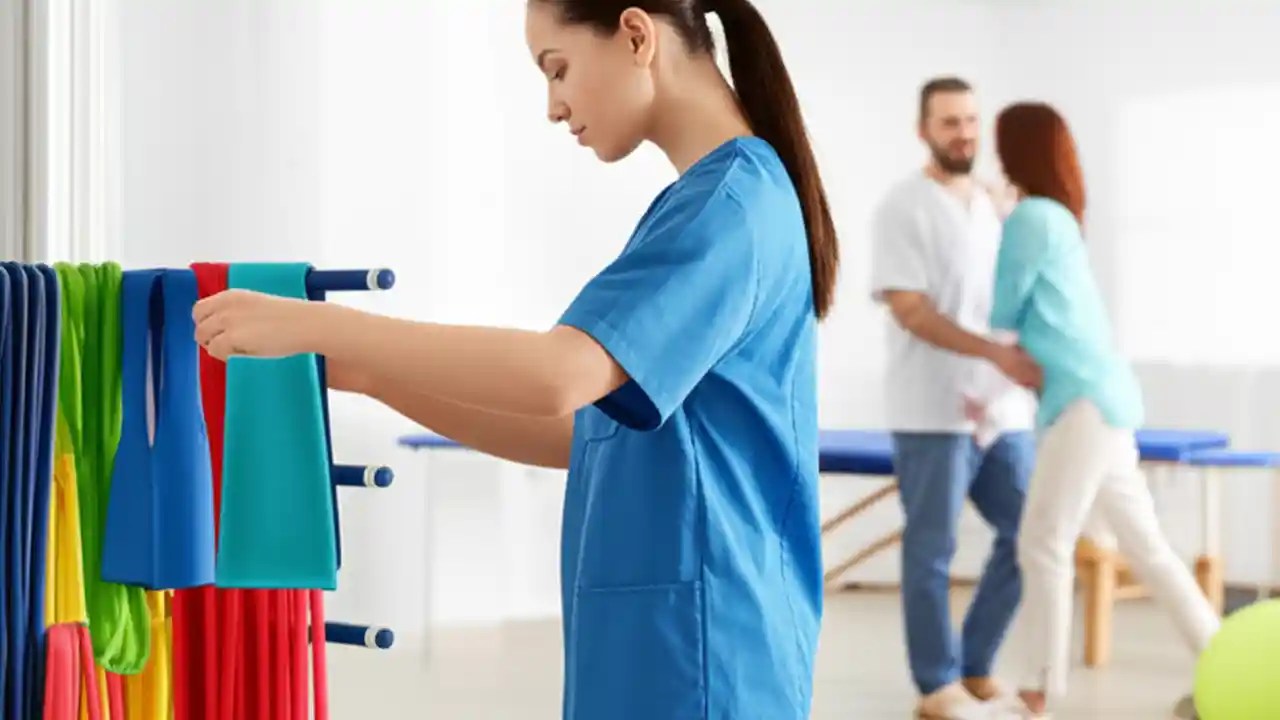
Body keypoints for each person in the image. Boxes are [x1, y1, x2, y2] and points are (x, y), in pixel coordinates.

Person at [192, 1, 837, 718]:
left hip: (708, 651)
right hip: (667, 641)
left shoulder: (729, 206)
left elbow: (558, 376)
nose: (555, 108)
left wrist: (328, 326)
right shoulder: (709, 202)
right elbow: (583, 436)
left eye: (556, 70)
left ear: (635, 35)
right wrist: (369, 376)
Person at [963, 102, 1218, 720]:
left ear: (1016, 150)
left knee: (1043, 544)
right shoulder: (1061, 218)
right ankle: (1220, 654)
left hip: (1083, 399)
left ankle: (1034, 694)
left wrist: (998, 216)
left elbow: (1003, 313)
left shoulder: (1029, 218)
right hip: (1105, 396)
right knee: (1147, 546)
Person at [868, 76, 1042, 720]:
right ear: (923, 130)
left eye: (971, 120)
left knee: (1031, 534)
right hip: (931, 409)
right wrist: (993, 353)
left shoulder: (997, 207)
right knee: (932, 548)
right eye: (949, 122)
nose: (963, 133)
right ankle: (935, 684)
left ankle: (974, 666)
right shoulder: (903, 207)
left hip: (1004, 411)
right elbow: (911, 310)